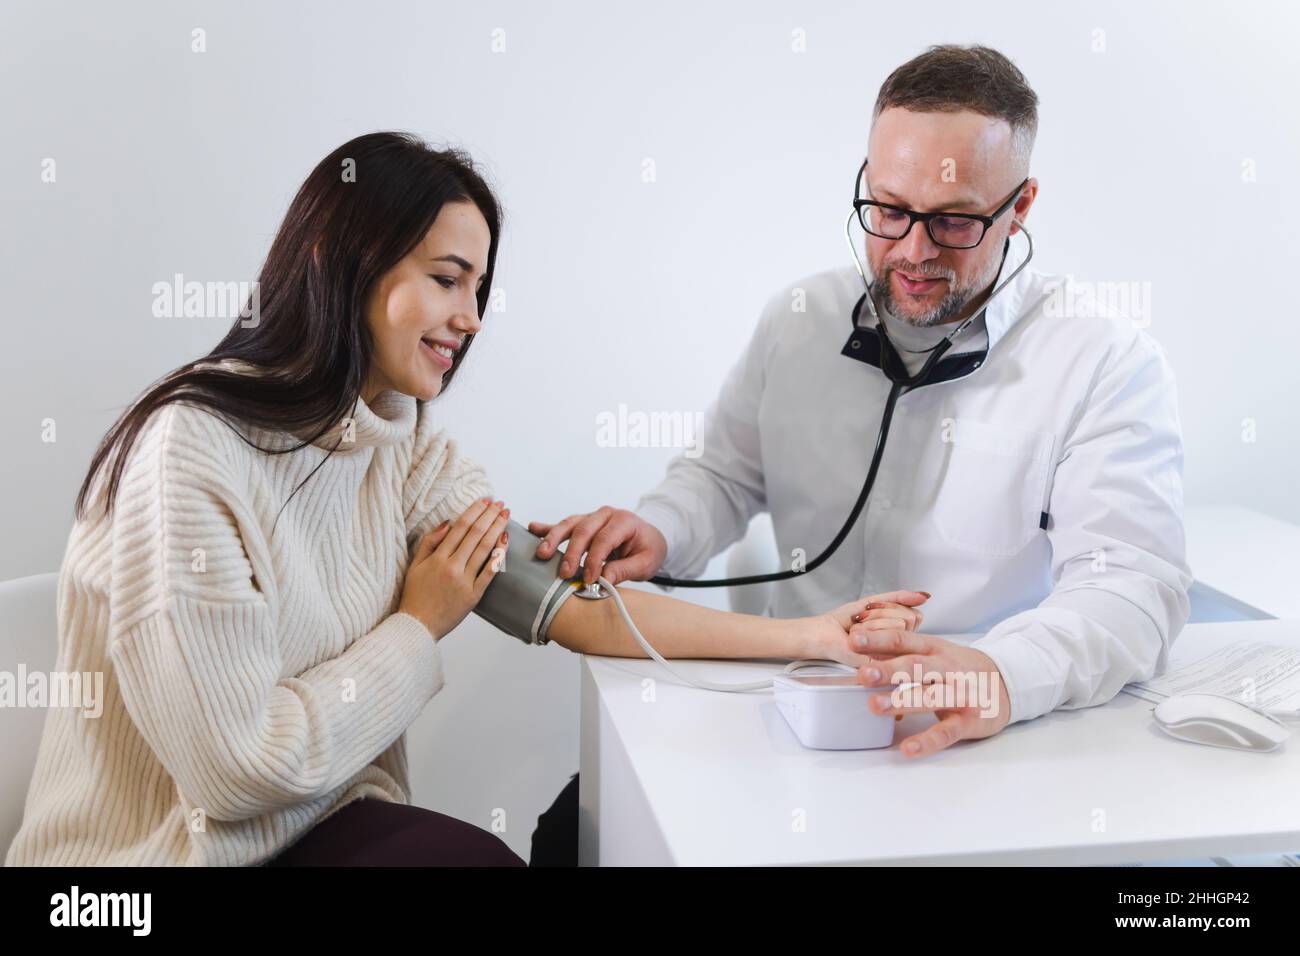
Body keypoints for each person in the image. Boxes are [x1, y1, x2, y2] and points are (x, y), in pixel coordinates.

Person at [4, 131, 925, 868]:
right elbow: (236, 773)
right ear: (341, 260)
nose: (471, 319)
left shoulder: (398, 439)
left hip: (318, 829)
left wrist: (811, 637)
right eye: (446, 279)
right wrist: (419, 624)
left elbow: (576, 608)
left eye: (480, 288)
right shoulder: (191, 453)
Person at [532, 45, 1191, 783]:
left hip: (974, 736)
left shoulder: (1105, 359)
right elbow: (722, 477)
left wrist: (1001, 673)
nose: (911, 251)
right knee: (577, 834)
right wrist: (661, 528)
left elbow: (1134, 588)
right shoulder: (798, 319)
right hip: (786, 707)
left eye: (954, 222)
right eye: (888, 209)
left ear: (1021, 207)